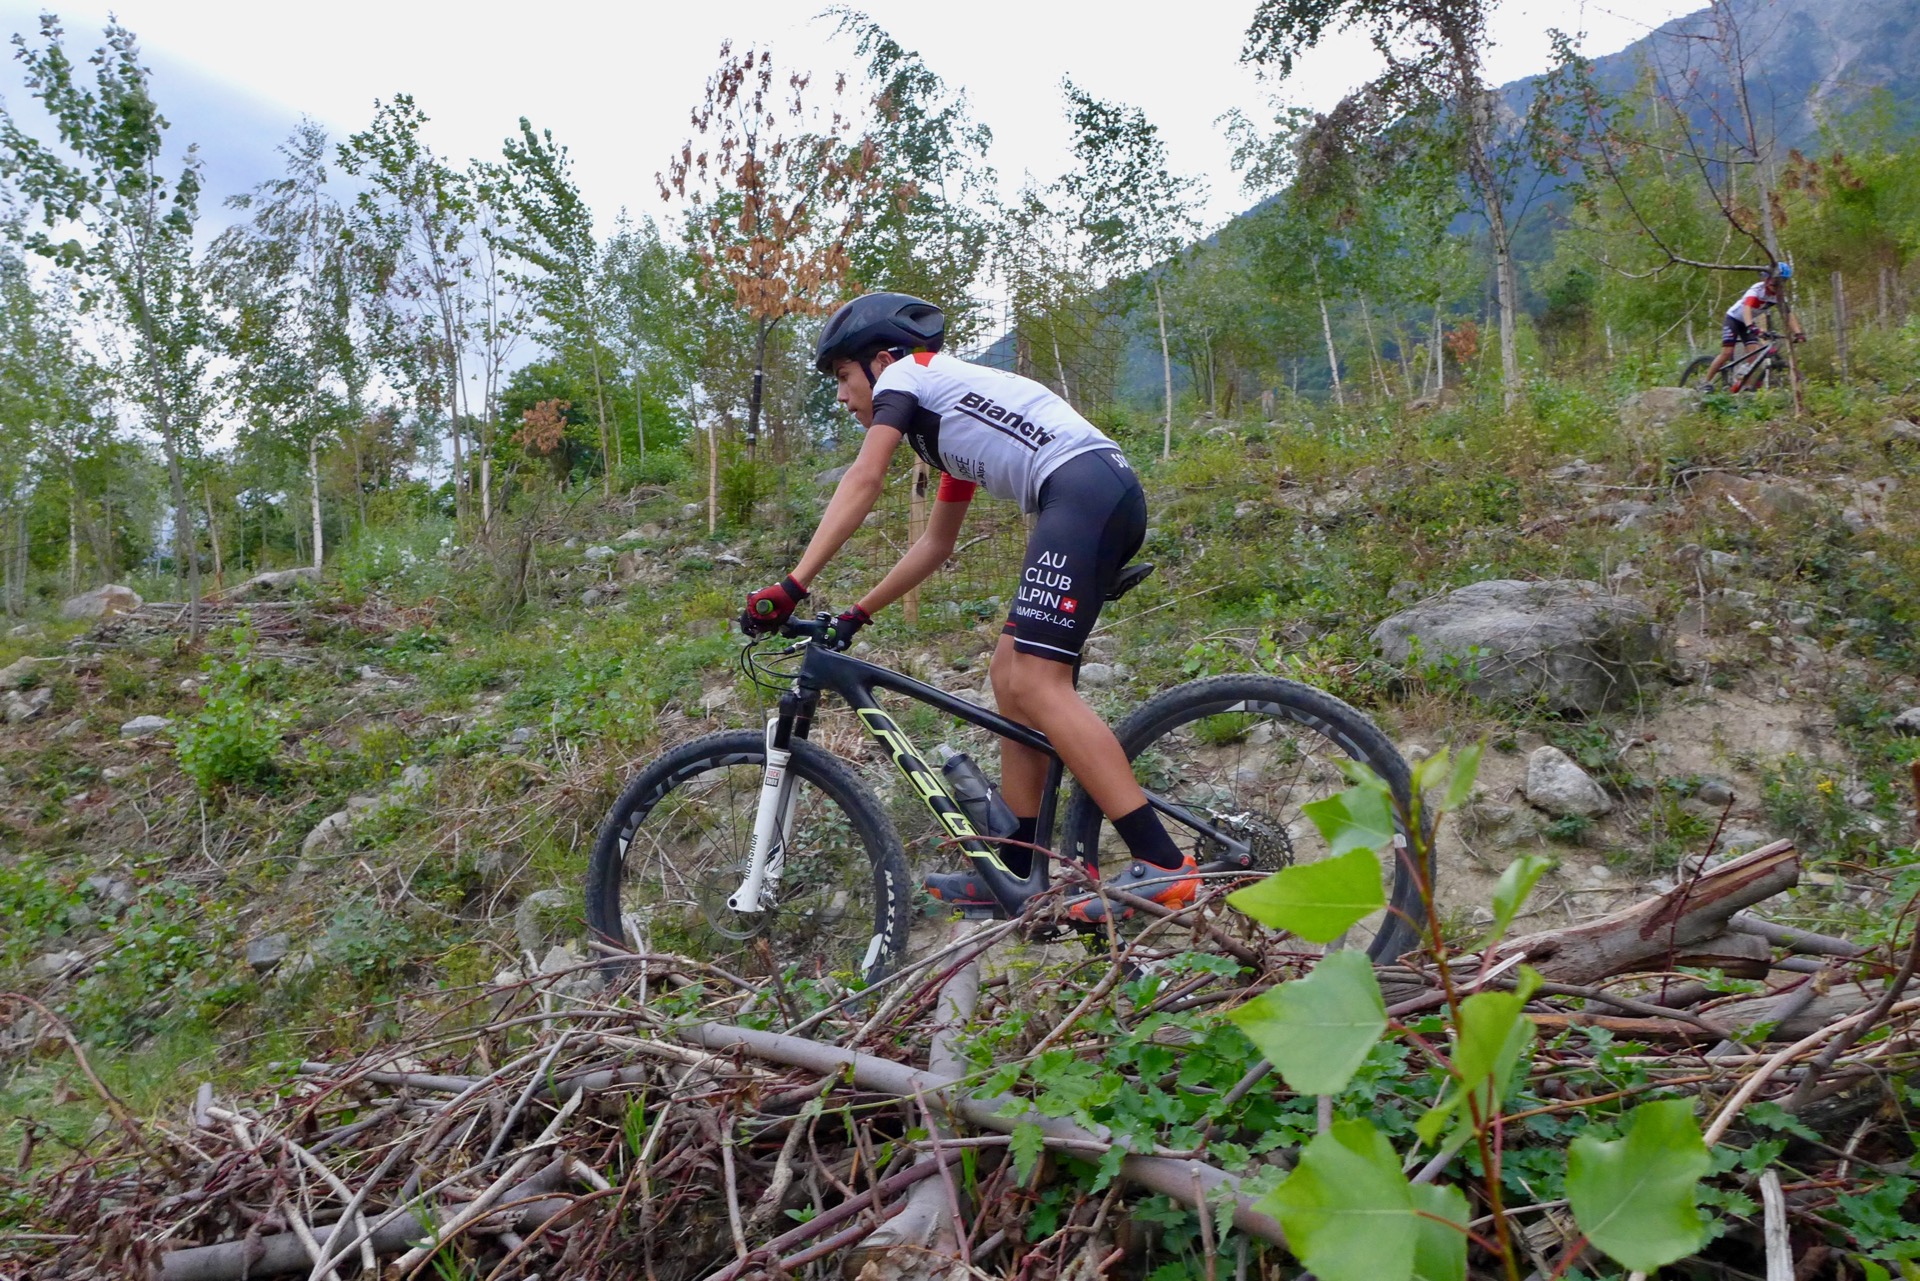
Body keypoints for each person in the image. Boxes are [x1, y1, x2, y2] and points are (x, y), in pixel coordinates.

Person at [739, 291, 1194, 922]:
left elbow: (864, 480)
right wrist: (856, 614)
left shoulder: (908, 375)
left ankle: (1165, 862)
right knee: (1010, 678)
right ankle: (1019, 867)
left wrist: (792, 585)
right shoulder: (947, 427)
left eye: (844, 378)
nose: (843, 397)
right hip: (1085, 492)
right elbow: (935, 544)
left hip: (1084, 489)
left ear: (881, 360)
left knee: (1036, 681)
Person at [1699, 263, 1805, 389]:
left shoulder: (1778, 295)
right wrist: (1751, 326)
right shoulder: (1757, 290)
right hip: (1733, 319)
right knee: (1726, 353)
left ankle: (1743, 387)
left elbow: (1787, 314)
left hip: (1747, 322)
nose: (1777, 285)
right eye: (1775, 281)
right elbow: (1747, 308)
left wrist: (1798, 333)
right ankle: (1705, 382)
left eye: (1782, 281)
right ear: (1767, 278)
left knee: (1753, 356)